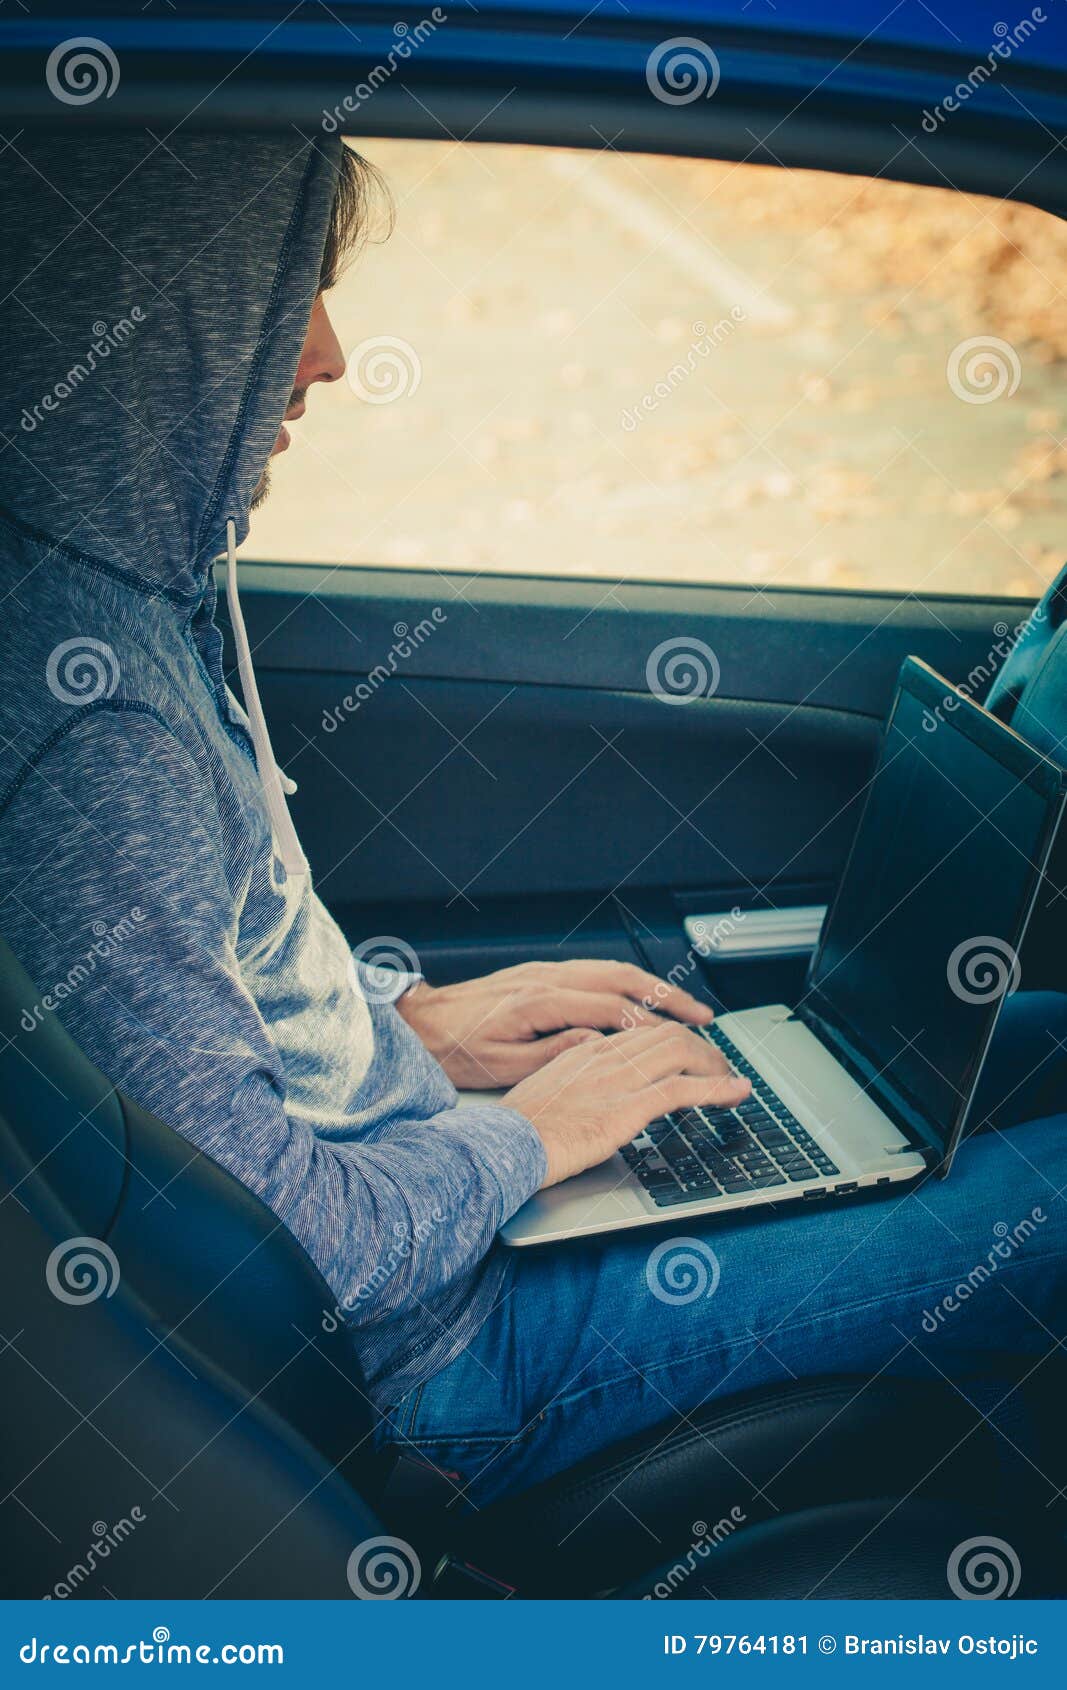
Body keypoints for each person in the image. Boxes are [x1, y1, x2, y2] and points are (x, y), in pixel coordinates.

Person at [0, 135, 1064, 1514]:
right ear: (149, 316)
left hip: (439, 1207)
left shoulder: (119, 613)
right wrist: (532, 1137)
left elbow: (211, 1026)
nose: (325, 357)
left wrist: (418, 1024)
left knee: (1020, 1047)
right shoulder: (99, 731)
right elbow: (284, 1263)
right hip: (452, 1352)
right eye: (277, 294)